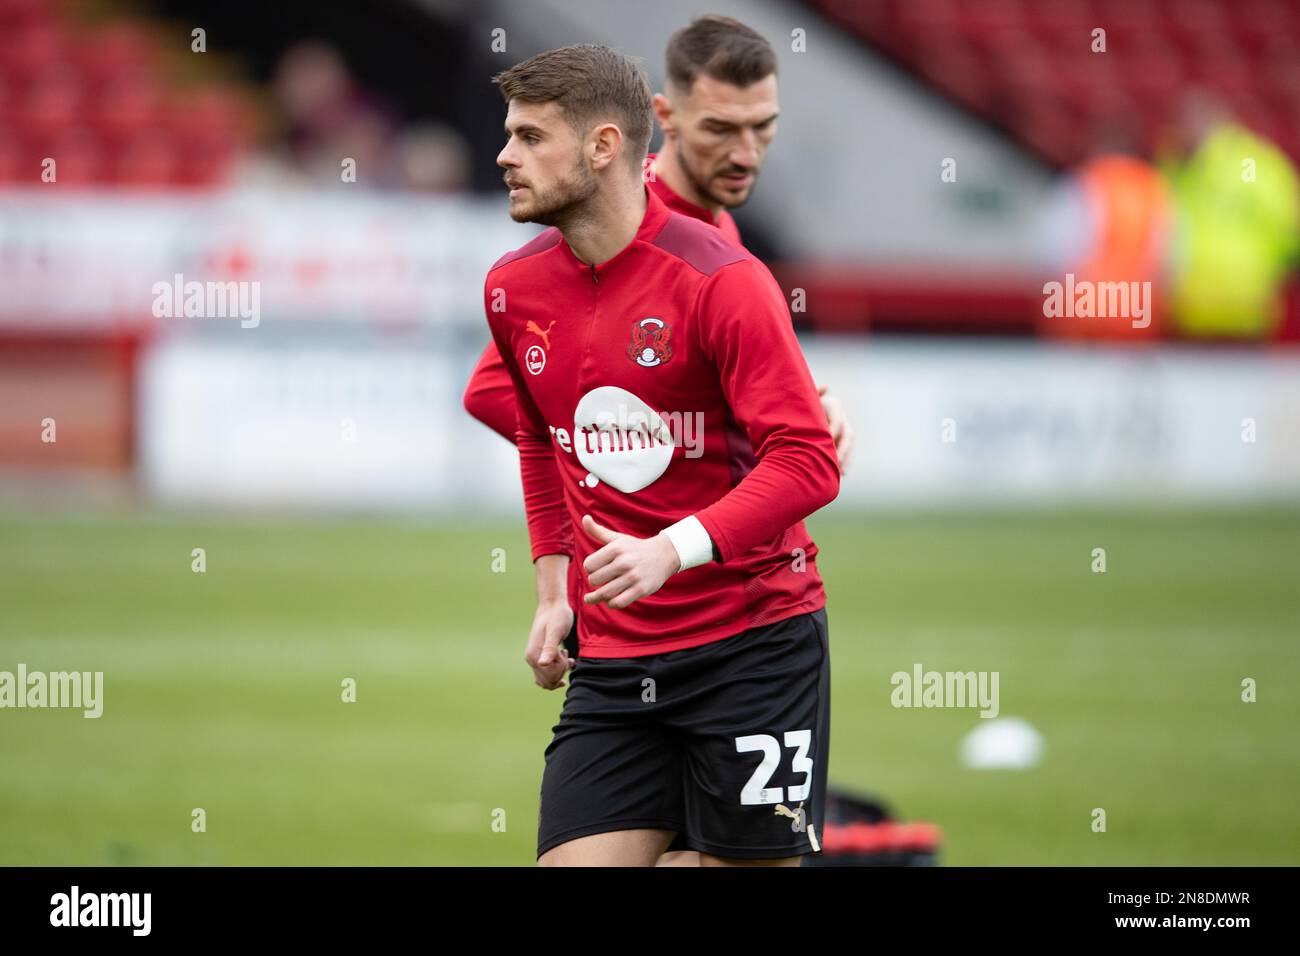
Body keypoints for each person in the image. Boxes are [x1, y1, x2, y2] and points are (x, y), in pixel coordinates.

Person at [485, 43, 839, 866]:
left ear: (603, 147)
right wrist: (554, 589)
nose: (505, 154)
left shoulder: (723, 279)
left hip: (753, 646)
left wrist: (670, 549)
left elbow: (807, 461)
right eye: (510, 134)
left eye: (530, 137)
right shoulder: (511, 287)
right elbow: (539, 433)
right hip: (614, 661)